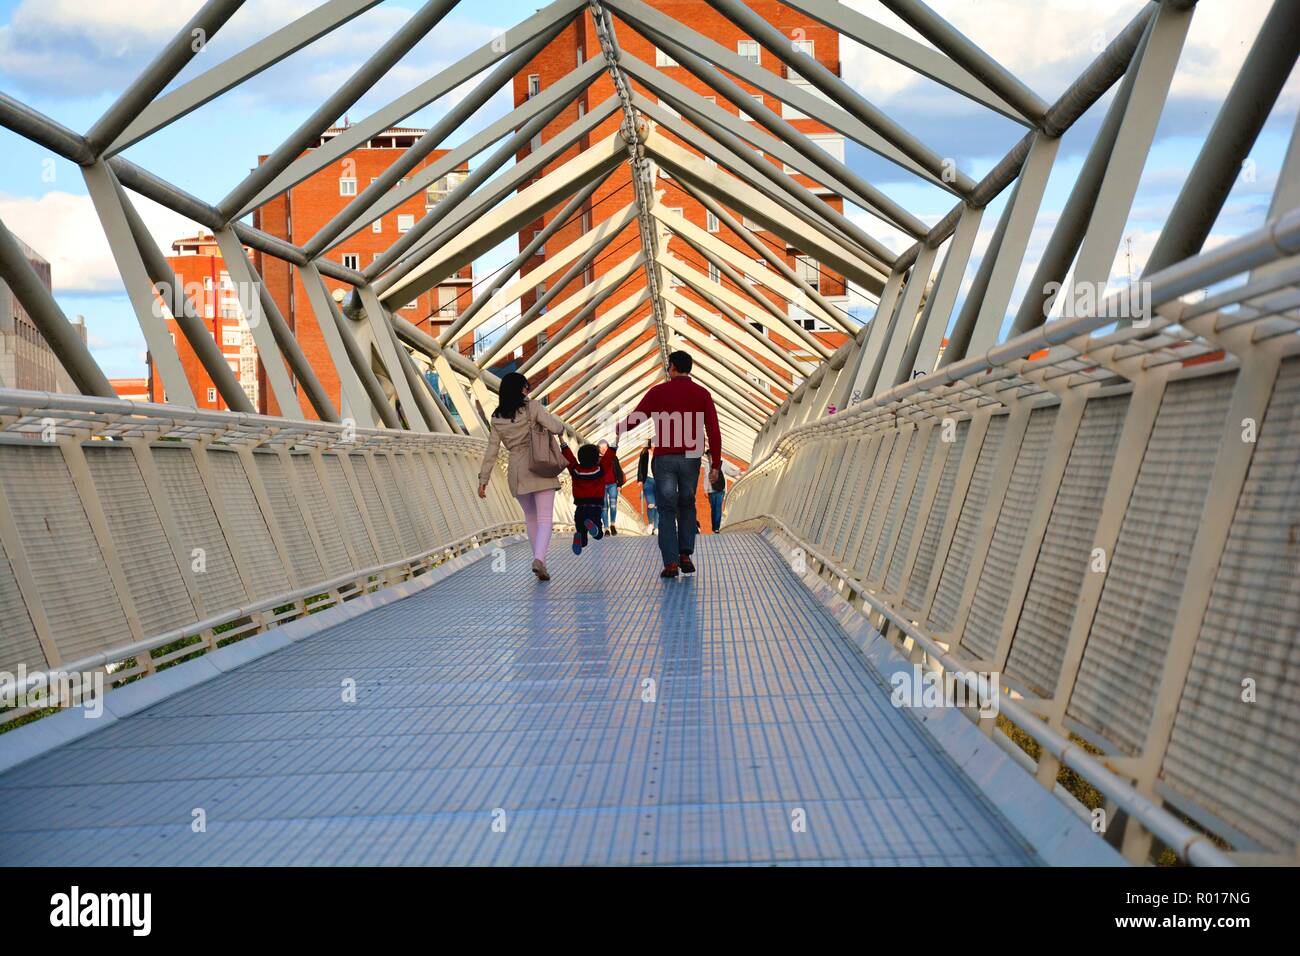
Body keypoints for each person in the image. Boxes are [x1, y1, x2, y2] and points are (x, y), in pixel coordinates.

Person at [615, 350, 721, 579]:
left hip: (664, 458)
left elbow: (638, 416)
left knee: (666, 509)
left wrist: (619, 428)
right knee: (687, 503)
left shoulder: (658, 392)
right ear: (689, 368)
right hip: (691, 456)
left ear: (672, 367)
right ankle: (685, 554)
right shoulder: (702, 393)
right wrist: (716, 464)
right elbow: (713, 429)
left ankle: (671, 563)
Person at [477, 371, 565, 581]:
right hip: (540, 465)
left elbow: (492, 449)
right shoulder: (532, 407)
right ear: (521, 389)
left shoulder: (497, 418)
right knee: (545, 518)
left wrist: (483, 479)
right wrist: (555, 426)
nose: (528, 390)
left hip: (517, 471)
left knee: (531, 518)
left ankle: (539, 559)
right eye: (526, 386)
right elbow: (556, 427)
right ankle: (539, 560)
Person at [561, 443, 606, 554]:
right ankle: (592, 525)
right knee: (598, 534)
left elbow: (569, 458)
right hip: (595, 507)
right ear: (596, 459)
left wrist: (563, 444)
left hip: (580, 509)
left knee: (582, 535)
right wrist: (614, 446)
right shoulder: (600, 471)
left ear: (580, 458)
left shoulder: (575, 470)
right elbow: (609, 459)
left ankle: (579, 538)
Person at [597, 439, 622, 534]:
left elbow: (618, 470)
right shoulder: (596, 459)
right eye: (601, 447)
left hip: (613, 484)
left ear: (608, 448)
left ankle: (612, 524)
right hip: (601, 486)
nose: (603, 449)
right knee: (604, 507)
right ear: (598, 448)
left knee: (613, 505)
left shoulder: (613, 458)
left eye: (605, 447)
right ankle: (606, 528)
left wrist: (619, 484)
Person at [637, 442, 658, 532]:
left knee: (657, 505)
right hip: (648, 481)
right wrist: (640, 480)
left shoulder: (661, 453)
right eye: (653, 443)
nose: (654, 445)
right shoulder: (644, 453)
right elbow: (640, 466)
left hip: (659, 481)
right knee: (650, 504)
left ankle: (657, 527)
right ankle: (650, 523)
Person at [707, 466, 726, 534]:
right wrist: (738, 471)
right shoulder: (724, 463)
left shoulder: (708, 465)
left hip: (711, 491)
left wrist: (705, 489)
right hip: (721, 490)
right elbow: (730, 472)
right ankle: (716, 528)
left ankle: (714, 527)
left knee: (714, 509)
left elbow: (706, 477)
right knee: (718, 509)